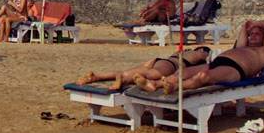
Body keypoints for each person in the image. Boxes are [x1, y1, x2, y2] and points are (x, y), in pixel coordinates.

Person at [134, 19, 264, 94]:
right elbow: (244, 27)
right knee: (183, 72)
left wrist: (256, 23)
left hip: (235, 69)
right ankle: (154, 84)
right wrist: (248, 26)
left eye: (257, 34)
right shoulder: (242, 46)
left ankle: (175, 87)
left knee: (203, 77)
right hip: (217, 62)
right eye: (251, 33)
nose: (252, 36)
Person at [75, 46, 212, 90]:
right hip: (170, 65)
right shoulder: (198, 55)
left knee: (129, 72)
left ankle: (97, 76)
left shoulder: (183, 51)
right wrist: (206, 58)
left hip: (159, 60)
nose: (205, 54)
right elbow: (205, 66)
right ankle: (122, 79)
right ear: (201, 50)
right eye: (205, 52)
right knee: (150, 74)